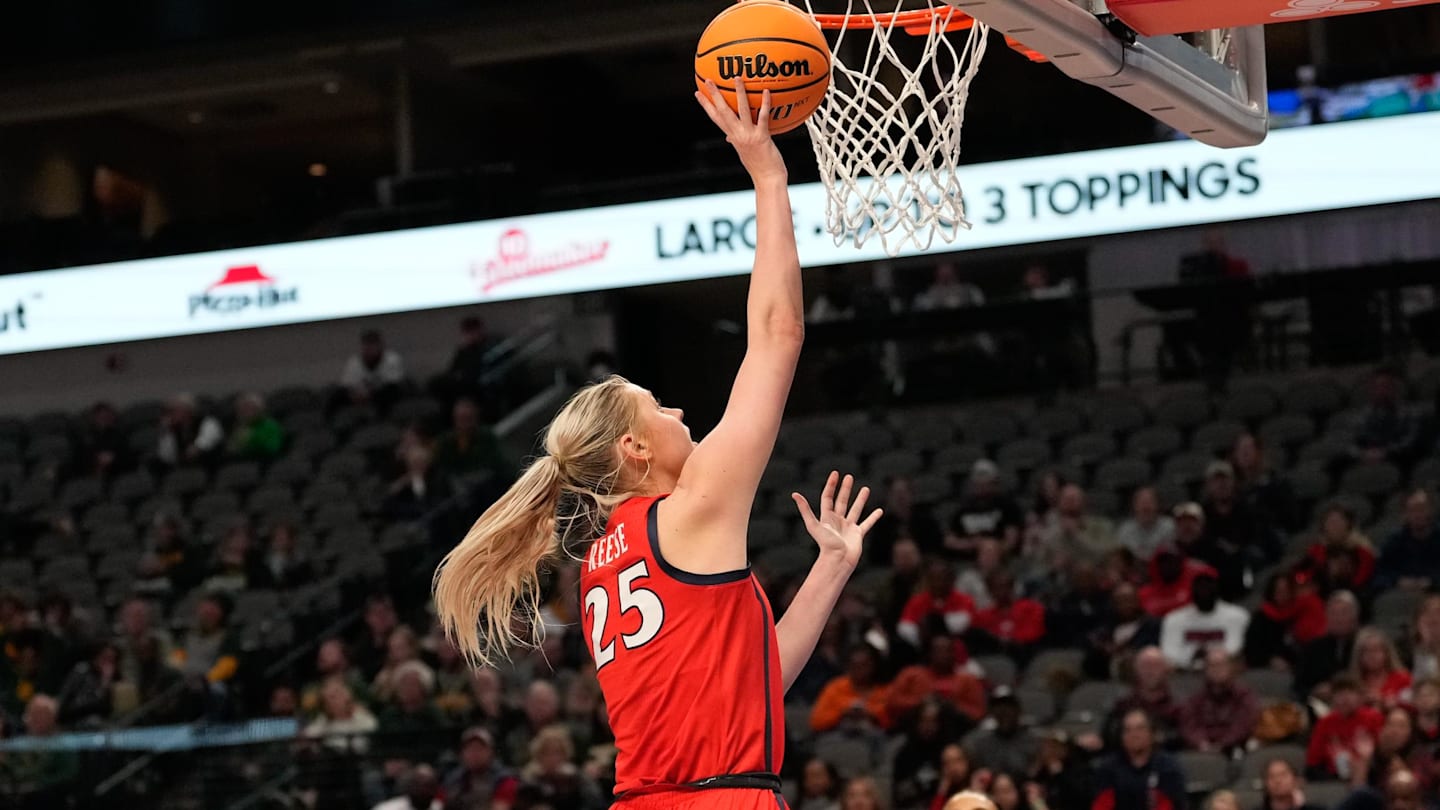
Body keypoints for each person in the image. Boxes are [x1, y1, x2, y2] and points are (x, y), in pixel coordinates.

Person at [433, 83, 874, 810]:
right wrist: (767, 175)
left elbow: (754, 683)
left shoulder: (604, 561)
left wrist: (830, 569)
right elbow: (777, 335)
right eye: (658, 406)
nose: (678, 411)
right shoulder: (695, 504)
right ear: (635, 448)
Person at [1090, 709, 1186, 810]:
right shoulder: (1108, 768)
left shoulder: (1168, 767)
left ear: (1152, 733)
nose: (1134, 735)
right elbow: (1101, 805)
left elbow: (1170, 805)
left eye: (1140, 729)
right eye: (1127, 730)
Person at [1178, 647, 1260, 754]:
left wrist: (1222, 745)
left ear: (1231, 667)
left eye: (1221, 665)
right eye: (1212, 665)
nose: (1216, 669)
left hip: (1234, 749)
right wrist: (1202, 743)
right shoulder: (1195, 700)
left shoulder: (1244, 696)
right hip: (1201, 750)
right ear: (1205, 669)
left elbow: (1243, 725)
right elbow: (1189, 726)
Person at [1158, 572, 1249, 668]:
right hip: (1184, 674)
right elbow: (1169, 655)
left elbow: (1236, 648)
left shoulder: (1238, 616)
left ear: (1217, 588)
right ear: (1192, 590)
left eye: (1208, 587)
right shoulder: (1174, 618)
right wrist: (1191, 655)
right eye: (1200, 587)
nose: (1204, 591)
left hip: (1224, 669)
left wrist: (1212, 656)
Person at [1306, 674, 1384, 782]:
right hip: (1333, 779)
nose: (1345, 698)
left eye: (1350, 693)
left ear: (1360, 697)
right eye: (1339, 694)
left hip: (1369, 775)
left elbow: (1382, 753)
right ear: (1332, 698)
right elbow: (1313, 762)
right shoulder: (1325, 723)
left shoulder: (1373, 718)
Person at [948, 460, 1024, 559]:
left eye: (986, 481)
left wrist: (988, 548)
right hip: (967, 559)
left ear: (995, 482)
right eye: (978, 481)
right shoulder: (963, 508)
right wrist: (971, 544)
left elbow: (1010, 542)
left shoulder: (1008, 507)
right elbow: (949, 540)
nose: (981, 485)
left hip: (999, 559)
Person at [1296, 591, 1362, 699]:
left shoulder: (1365, 646)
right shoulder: (1312, 648)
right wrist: (1314, 691)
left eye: (1344, 613)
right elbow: (1298, 687)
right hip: (1320, 705)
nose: (1338, 618)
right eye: (1334, 613)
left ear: (1355, 618)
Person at [962, 687, 1041, 777]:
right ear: (992, 712)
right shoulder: (981, 744)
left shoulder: (1032, 742)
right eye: (998, 707)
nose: (1004, 711)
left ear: (1018, 710)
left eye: (1008, 706)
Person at [811, 645, 891, 733]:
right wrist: (843, 714)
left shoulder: (885, 690)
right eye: (855, 666)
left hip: (874, 739)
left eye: (864, 665)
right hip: (837, 739)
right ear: (848, 666)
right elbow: (816, 722)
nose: (860, 670)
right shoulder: (835, 687)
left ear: (874, 665)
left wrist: (870, 715)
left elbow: (892, 722)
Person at [1351, 367, 1420, 465]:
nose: (1381, 391)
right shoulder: (1363, 414)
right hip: (1367, 455)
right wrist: (1363, 453)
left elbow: (1410, 440)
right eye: (1377, 387)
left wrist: (1385, 452)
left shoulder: (1408, 413)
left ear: (1394, 389)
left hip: (1397, 456)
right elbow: (1353, 440)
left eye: (1386, 387)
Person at [442, 726, 520, 810]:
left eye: (479, 749)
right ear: (461, 753)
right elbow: (438, 804)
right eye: (469, 749)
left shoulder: (504, 780)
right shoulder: (453, 779)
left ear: (491, 752)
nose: (474, 754)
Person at [1377, 490, 1440, 592]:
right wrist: (1397, 581)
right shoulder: (1394, 542)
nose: (1418, 514)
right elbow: (1380, 574)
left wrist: (1432, 581)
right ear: (1405, 514)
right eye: (1412, 510)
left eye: (1422, 508)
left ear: (1431, 510)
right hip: (1402, 595)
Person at [339, 329, 407, 414]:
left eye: (373, 344)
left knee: (389, 393)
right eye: (367, 344)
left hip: (383, 398)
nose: (370, 348)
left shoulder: (392, 359)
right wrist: (356, 396)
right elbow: (346, 386)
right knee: (337, 395)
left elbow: (394, 385)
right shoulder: (353, 363)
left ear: (380, 345)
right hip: (358, 398)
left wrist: (371, 395)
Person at [155, 393, 224, 468]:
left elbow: (201, 446)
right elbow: (167, 457)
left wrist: (186, 454)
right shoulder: (173, 429)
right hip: (184, 468)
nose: (169, 415)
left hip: (208, 465)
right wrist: (167, 431)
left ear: (187, 411)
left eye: (173, 411)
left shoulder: (208, 422)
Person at [1350, 627, 1413, 709]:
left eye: (1376, 650)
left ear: (1387, 653)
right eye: (1366, 651)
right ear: (1359, 656)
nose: (1371, 656)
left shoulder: (1403, 678)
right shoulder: (1352, 682)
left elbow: (1413, 707)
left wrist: (1389, 702)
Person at [1115, 487, 1175, 562]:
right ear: (1134, 506)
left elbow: (1170, 556)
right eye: (1142, 502)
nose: (1146, 506)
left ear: (1158, 505)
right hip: (1134, 570)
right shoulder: (1125, 530)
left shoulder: (1169, 526)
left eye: (1150, 502)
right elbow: (1124, 558)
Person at [226, 392, 285, 460]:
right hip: (236, 458)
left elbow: (273, 448)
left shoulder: (270, 425)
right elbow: (232, 447)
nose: (243, 412)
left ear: (259, 410)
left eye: (248, 409)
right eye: (240, 409)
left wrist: (251, 440)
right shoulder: (241, 425)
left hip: (258, 460)